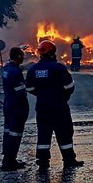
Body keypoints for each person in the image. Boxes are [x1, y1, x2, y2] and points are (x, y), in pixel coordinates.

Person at [25, 40, 84, 171]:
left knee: (43, 134)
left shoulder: (33, 70)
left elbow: (29, 88)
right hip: (59, 108)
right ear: (52, 53)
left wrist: (41, 95)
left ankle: (43, 161)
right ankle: (69, 160)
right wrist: (62, 96)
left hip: (42, 108)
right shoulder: (59, 68)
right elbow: (69, 87)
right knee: (64, 133)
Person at [0, 46, 29, 171]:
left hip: (8, 105)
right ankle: (10, 161)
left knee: (8, 132)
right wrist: (25, 83)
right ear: (18, 57)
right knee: (15, 134)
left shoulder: (6, 68)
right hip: (17, 106)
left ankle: (7, 158)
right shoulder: (16, 72)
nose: (23, 58)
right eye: (22, 56)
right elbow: (20, 91)